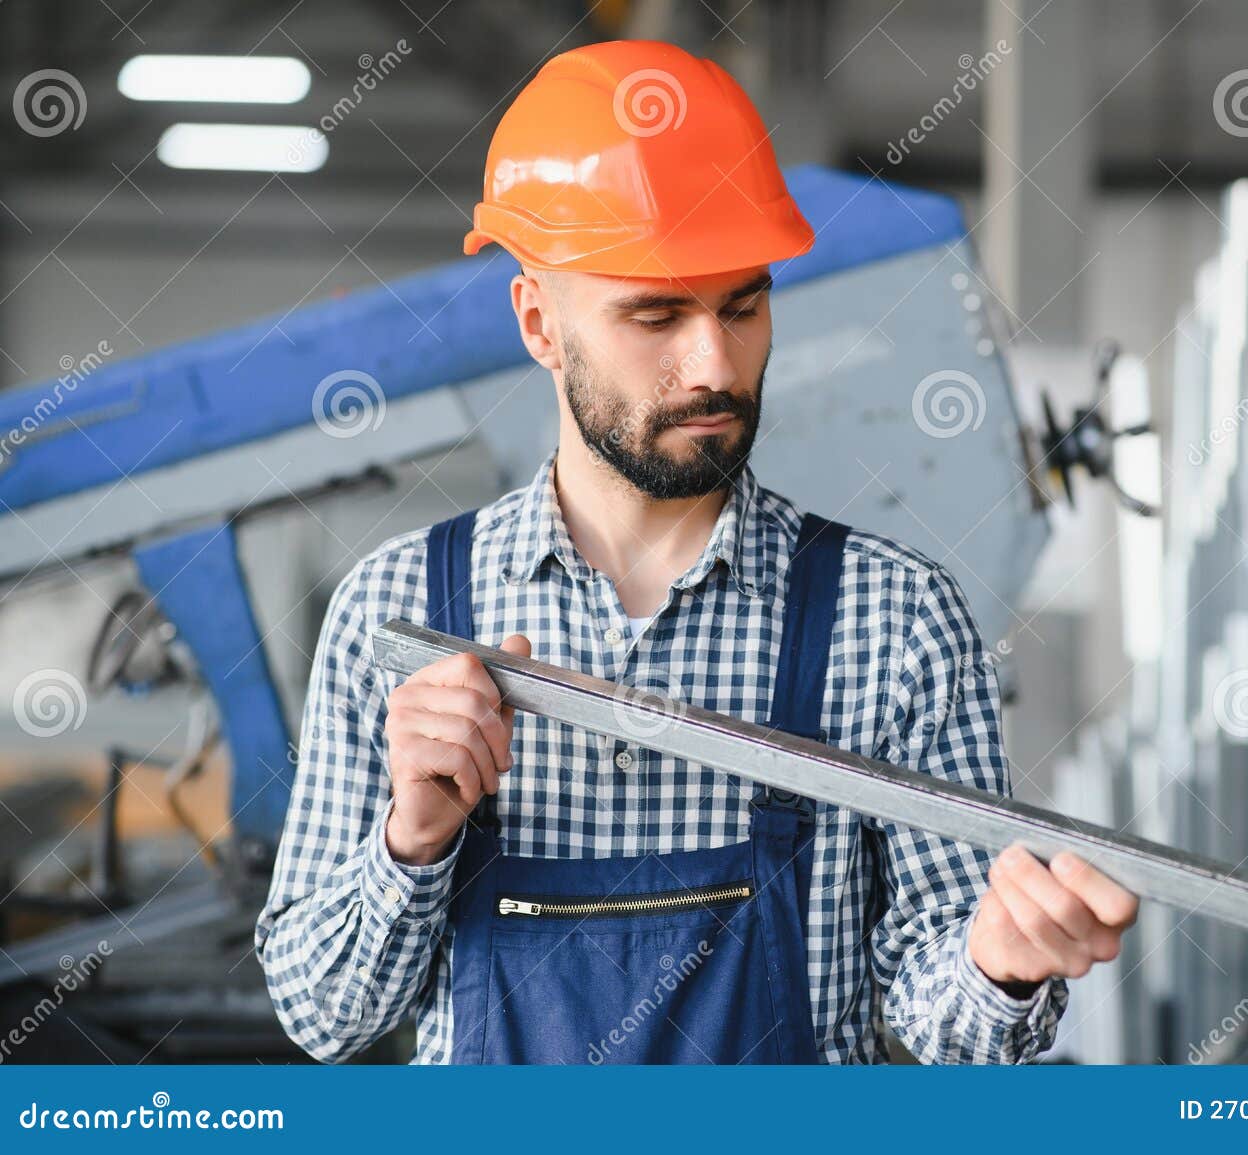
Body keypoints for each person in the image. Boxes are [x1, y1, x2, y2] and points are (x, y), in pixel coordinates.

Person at [255, 38, 1137, 1065]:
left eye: (742, 304)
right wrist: (411, 843)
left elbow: (953, 1029)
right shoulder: (399, 611)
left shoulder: (893, 620)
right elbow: (323, 1017)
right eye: (656, 314)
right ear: (539, 321)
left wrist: (999, 964)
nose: (714, 365)